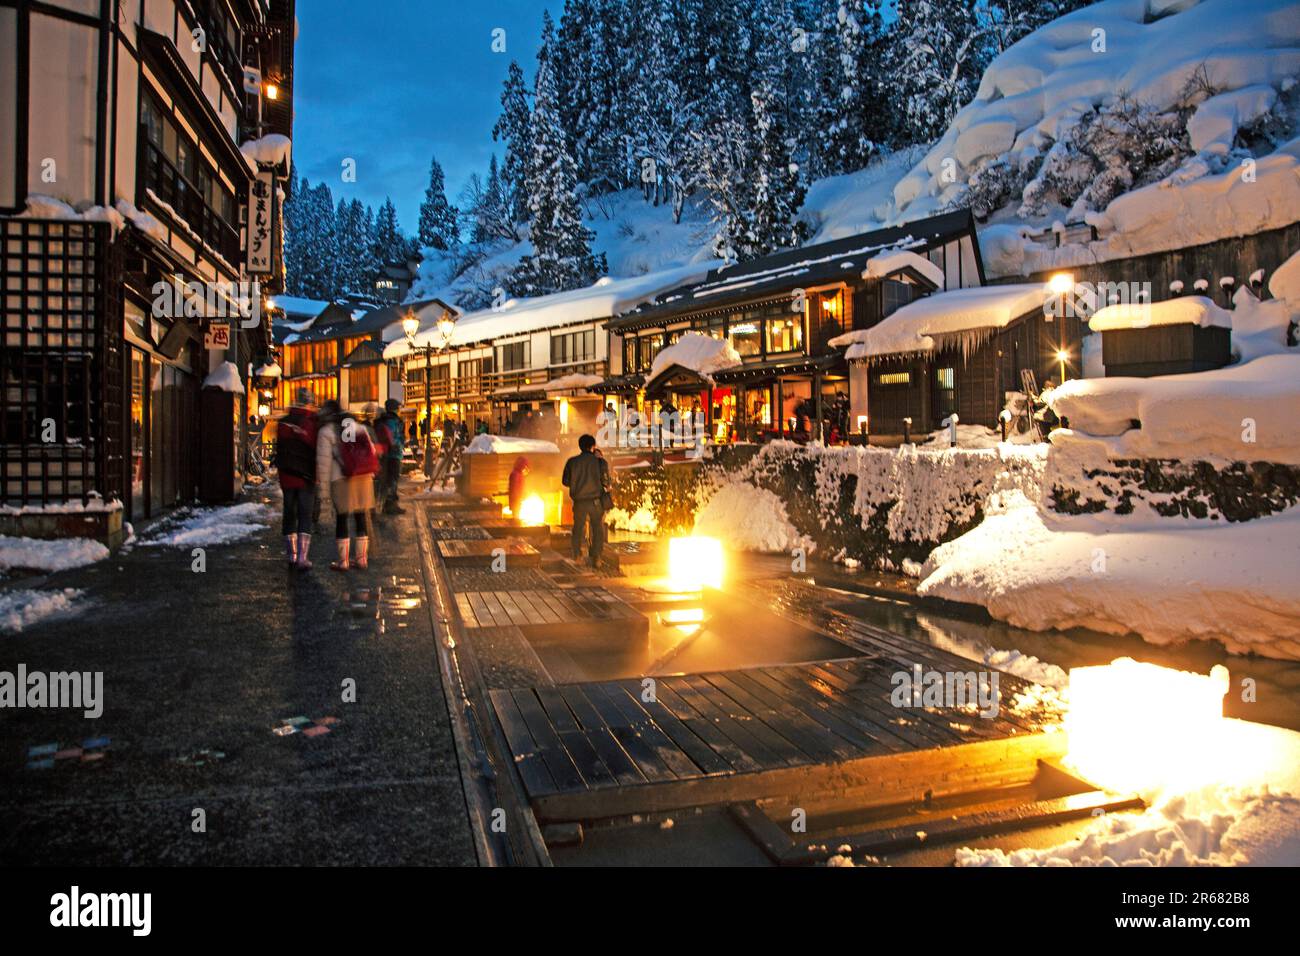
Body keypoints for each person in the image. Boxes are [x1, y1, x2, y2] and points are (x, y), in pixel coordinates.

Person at [315, 400, 378, 571]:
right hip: (363, 478)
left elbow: (324, 464)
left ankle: (343, 561)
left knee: (342, 519)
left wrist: (323, 493)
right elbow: (370, 452)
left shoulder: (326, 431)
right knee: (360, 517)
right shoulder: (358, 427)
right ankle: (362, 559)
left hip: (341, 479)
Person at [275, 388, 318, 569]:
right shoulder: (311, 423)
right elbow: (315, 447)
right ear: (309, 402)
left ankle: (291, 555)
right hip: (306, 476)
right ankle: (302, 557)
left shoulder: (283, 422)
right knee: (305, 514)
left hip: (286, 474)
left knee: (289, 512)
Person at [562, 433, 611, 568]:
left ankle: (577, 555)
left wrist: (577, 483)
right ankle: (597, 557)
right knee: (597, 528)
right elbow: (606, 483)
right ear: (593, 446)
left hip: (579, 502)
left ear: (580, 446)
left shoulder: (572, 462)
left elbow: (565, 481)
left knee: (578, 528)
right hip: (596, 502)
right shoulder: (600, 462)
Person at [375, 399, 406, 515]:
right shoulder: (392, 421)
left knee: (388, 480)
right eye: (398, 408)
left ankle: (387, 504)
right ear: (394, 409)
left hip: (386, 454)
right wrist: (399, 444)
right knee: (392, 480)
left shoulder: (384, 420)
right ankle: (390, 505)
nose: (399, 410)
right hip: (393, 454)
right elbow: (393, 438)